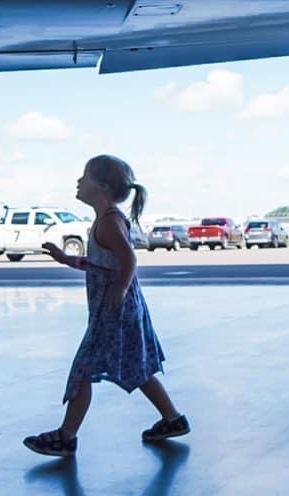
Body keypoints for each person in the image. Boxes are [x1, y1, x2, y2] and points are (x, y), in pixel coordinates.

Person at [23, 155, 189, 457]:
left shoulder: (110, 221)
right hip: (119, 310)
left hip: (114, 311)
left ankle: (66, 437)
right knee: (137, 367)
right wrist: (65, 259)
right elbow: (102, 264)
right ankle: (173, 419)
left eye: (83, 176)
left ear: (101, 186)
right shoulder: (105, 220)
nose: (77, 181)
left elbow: (129, 260)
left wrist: (120, 289)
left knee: (83, 370)